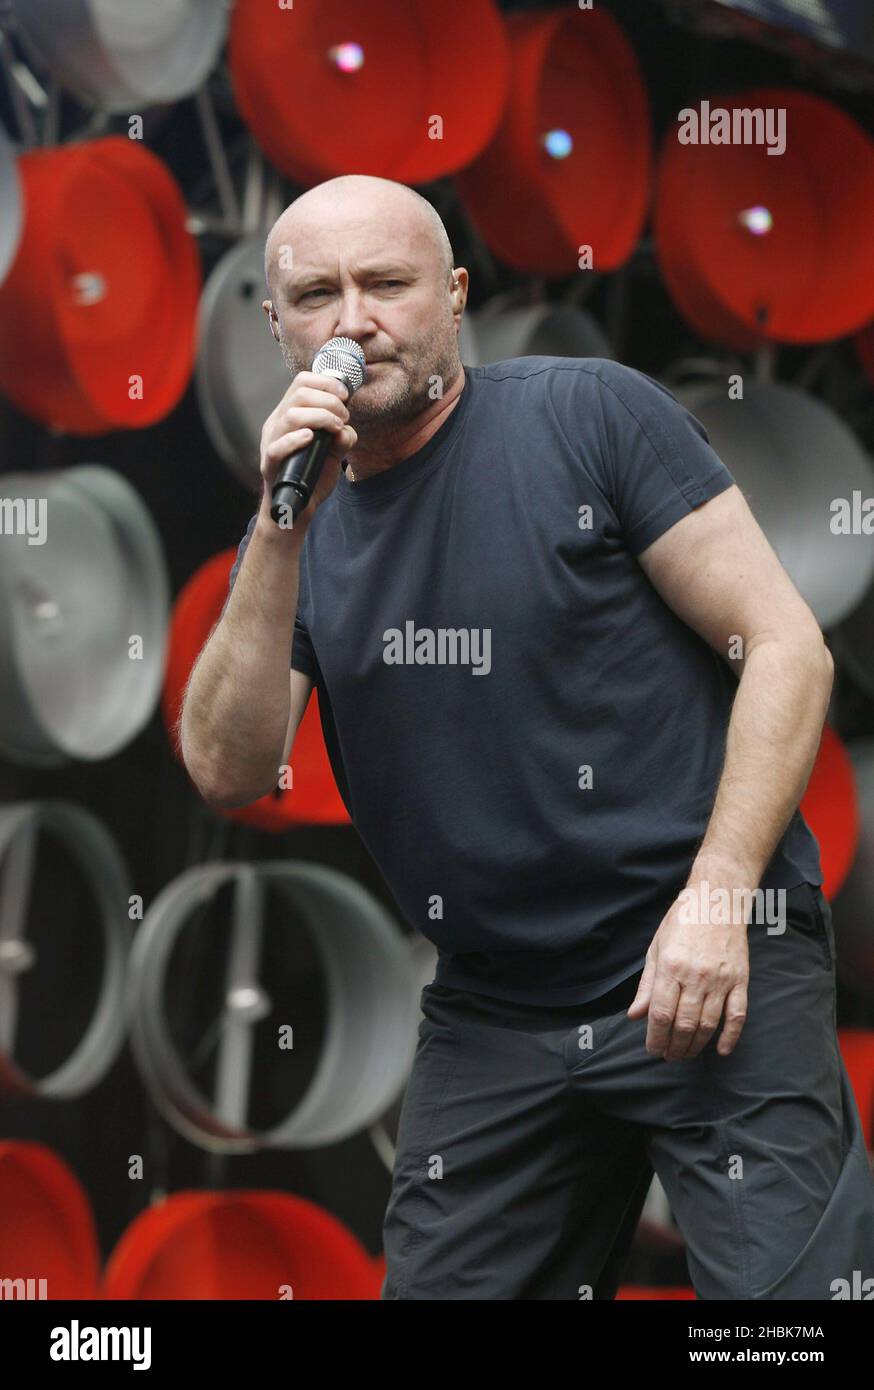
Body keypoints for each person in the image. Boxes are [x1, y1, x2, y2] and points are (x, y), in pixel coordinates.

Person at [179, 174, 874, 1300]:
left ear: (453, 296)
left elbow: (786, 645)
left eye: (387, 284)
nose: (352, 321)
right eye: (317, 294)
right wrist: (274, 524)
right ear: (276, 327)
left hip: (698, 949)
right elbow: (227, 768)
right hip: (498, 1001)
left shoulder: (587, 415)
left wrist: (717, 895)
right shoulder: (303, 535)